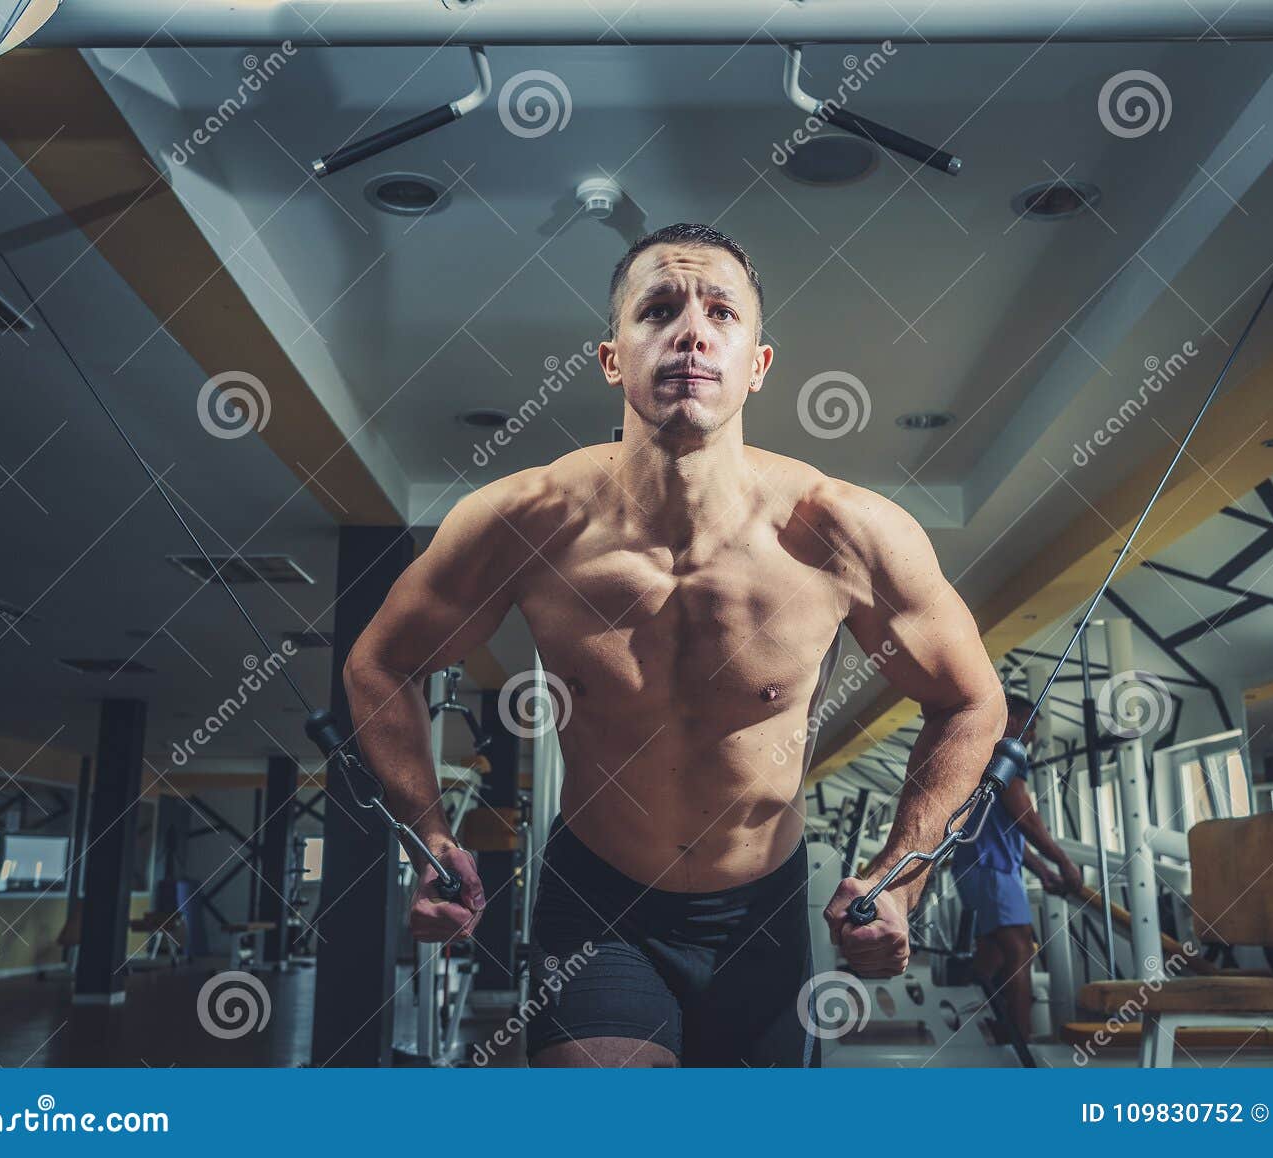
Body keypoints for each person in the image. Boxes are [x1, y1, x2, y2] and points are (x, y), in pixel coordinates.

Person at [343, 222, 1005, 1067]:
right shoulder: (524, 522)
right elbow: (380, 663)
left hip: (760, 909)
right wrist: (430, 836)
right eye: (659, 308)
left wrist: (901, 878)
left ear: (756, 366)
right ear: (613, 357)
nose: (692, 330)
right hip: (600, 902)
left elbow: (971, 699)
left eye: (722, 312)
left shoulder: (842, 533)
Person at [949, 691, 1081, 1042]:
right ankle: (1019, 1044)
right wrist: (1064, 861)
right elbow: (1025, 818)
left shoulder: (983, 757)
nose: (1034, 736)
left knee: (991, 955)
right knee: (1020, 947)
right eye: (1032, 725)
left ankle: (964, 1026)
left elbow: (1007, 833)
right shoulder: (1005, 755)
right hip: (989, 867)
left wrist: (1043, 872)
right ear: (1014, 719)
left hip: (986, 865)